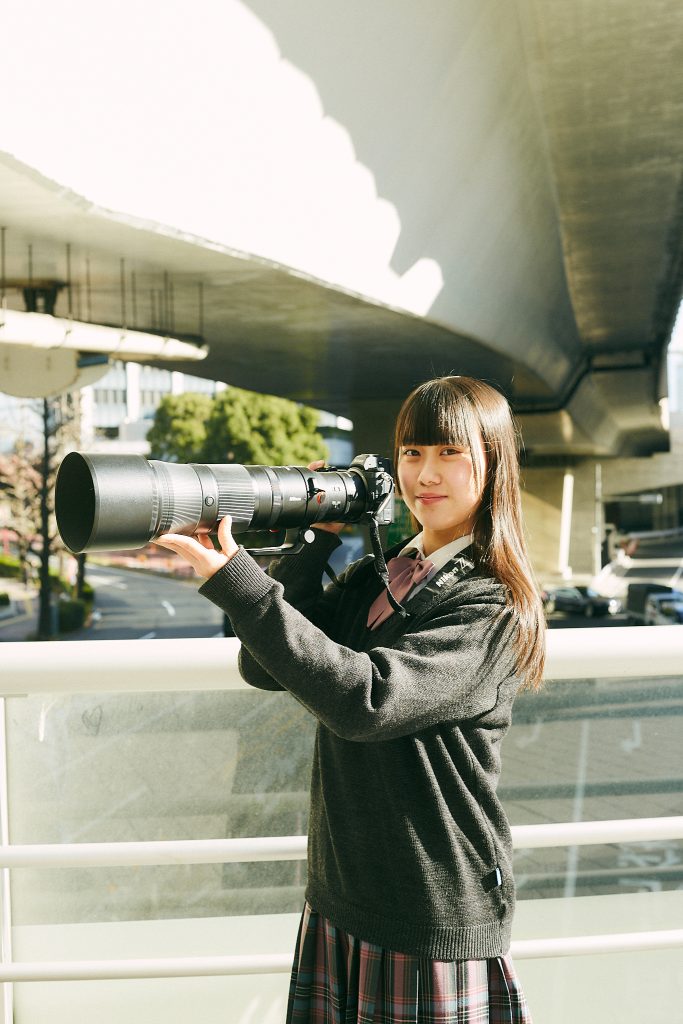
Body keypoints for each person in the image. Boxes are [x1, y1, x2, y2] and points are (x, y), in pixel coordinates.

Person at [154, 375, 545, 1024]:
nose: (424, 473)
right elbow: (266, 667)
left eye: (449, 453)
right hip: (344, 889)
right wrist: (315, 533)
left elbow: (366, 701)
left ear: (492, 464)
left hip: (427, 911)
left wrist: (236, 581)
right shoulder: (380, 574)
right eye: (412, 453)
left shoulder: (490, 601)